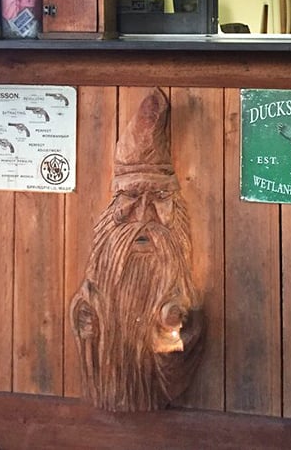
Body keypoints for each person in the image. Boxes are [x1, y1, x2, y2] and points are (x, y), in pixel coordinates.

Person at [70, 88, 204, 411]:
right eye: (130, 204)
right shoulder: (97, 288)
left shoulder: (177, 282)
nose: (143, 218)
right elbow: (86, 314)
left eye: (158, 203)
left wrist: (173, 325)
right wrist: (88, 319)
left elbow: (188, 329)